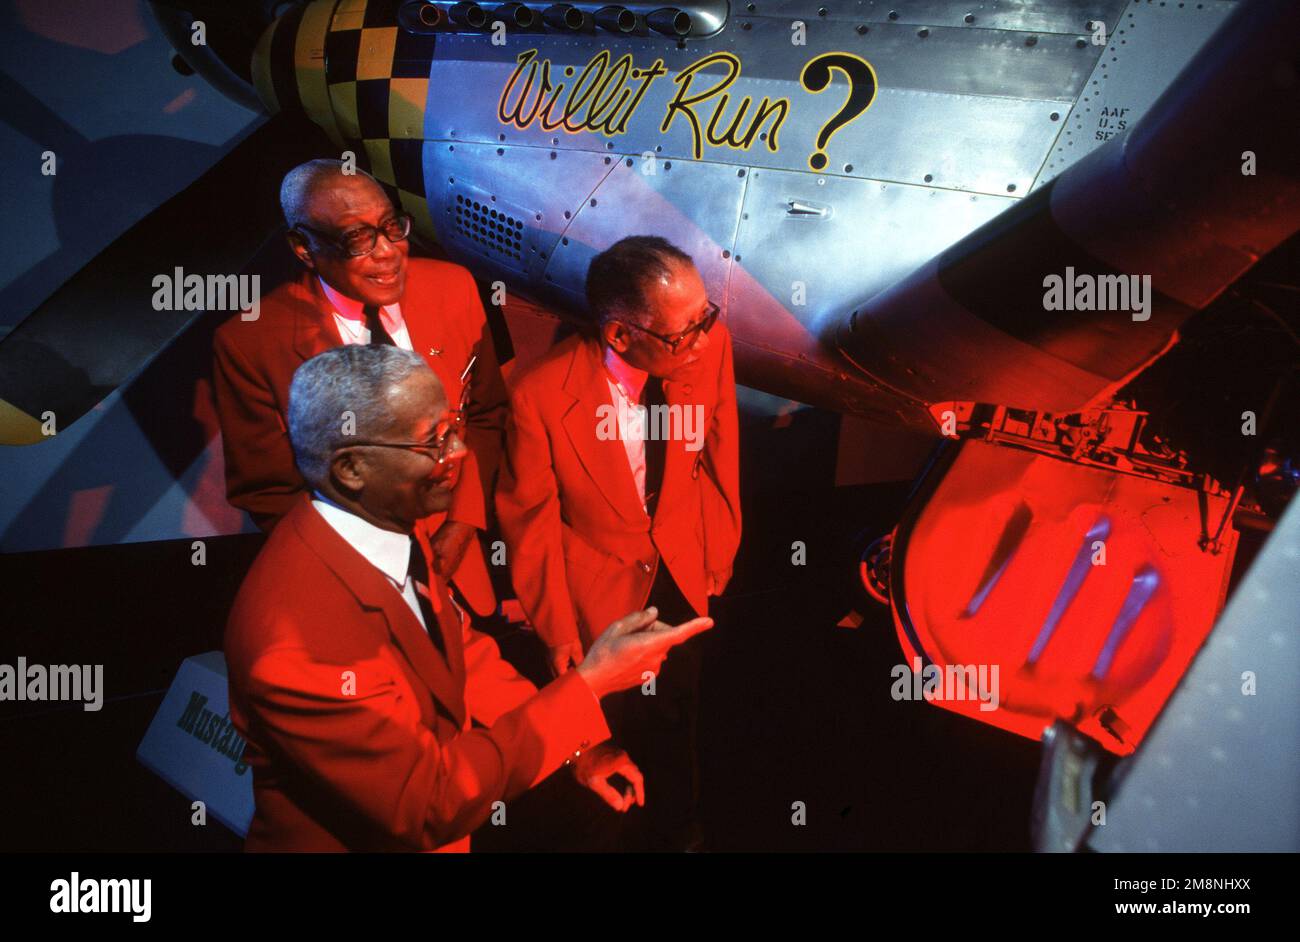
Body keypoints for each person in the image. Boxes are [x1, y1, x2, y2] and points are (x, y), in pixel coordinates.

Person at [224, 344, 712, 851]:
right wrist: (589, 684)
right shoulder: (297, 644)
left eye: (453, 426)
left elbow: (458, 651)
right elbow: (428, 805)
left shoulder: (387, 529)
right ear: (351, 469)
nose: (459, 452)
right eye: (432, 442)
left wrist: (580, 748)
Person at [496, 236, 742, 850]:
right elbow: (529, 521)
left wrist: (719, 555)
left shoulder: (708, 345)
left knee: (680, 719)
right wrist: (556, 631)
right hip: (598, 600)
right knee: (610, 749)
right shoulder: (539, 396)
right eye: (683, 333)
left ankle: (682, 833)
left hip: (686, 574)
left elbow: (720, 449)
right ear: (620, 335)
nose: (703, 340)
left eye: (704, 318)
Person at [212, 159, 503, 613]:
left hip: (465, 572)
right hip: (357, 589)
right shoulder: (249, 342)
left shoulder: (455, 287)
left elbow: (487, 416)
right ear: (304, 248)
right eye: (357, 238)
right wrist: (369, 565)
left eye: (392, 227)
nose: (387, 252)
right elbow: (267, 492)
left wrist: (464, 521)